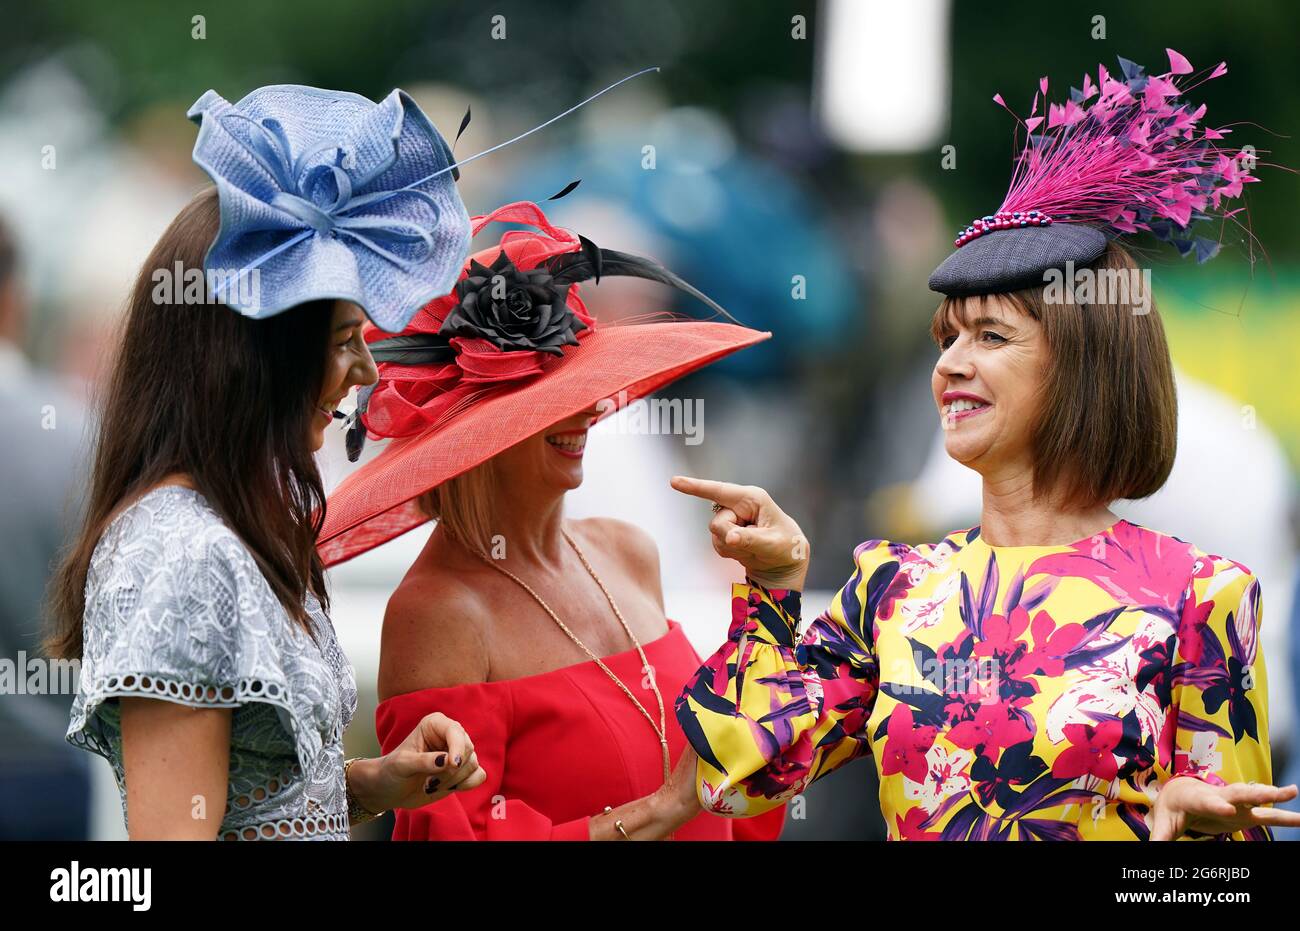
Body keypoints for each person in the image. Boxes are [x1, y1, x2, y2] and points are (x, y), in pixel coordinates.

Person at [672, 51, 1300, 840]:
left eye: (990, 336)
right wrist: (769, 588)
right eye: (948, 337)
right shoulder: (892, 584)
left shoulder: (1203, 596)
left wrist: (1188, 849)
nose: (951, 364)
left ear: (1082, 366)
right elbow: (741, 778)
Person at [46, 83, 493, 840]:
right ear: (260, 358)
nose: (367, 372)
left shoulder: (232, 523)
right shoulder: (181, 551)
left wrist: (371, 784)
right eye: (345, 339)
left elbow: (249, 804)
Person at [318, 201, 786, 840]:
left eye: (580, 388)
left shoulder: (626, 552)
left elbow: (751, 787)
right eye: (544, 403)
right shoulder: (439, 613)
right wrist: (659, 812)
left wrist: (773, 595)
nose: (584, 411)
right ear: (472, 440)